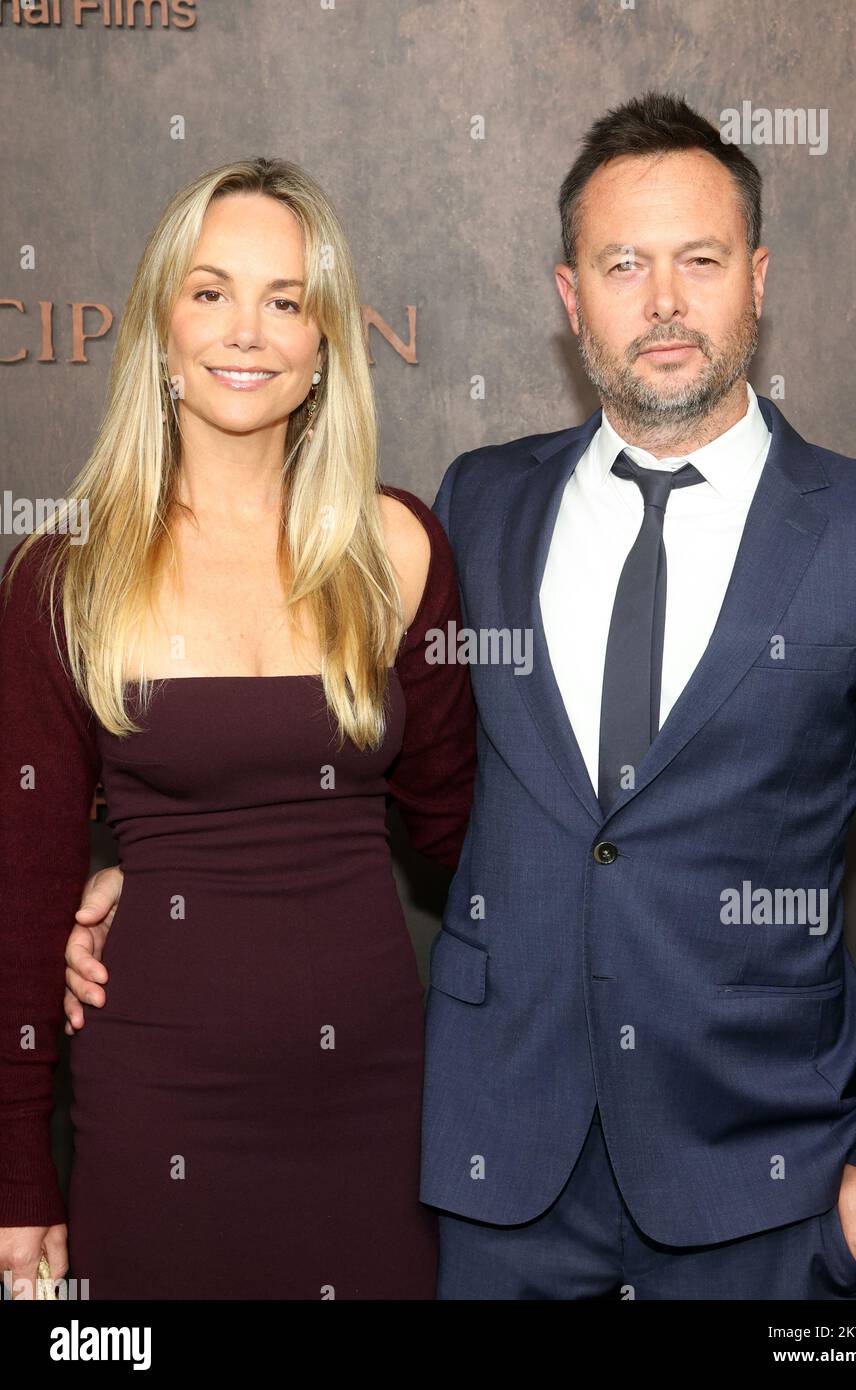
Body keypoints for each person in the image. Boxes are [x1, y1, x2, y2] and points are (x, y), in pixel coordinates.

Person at [63, 92, 856, 1301]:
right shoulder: (473, 511)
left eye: (698, 261)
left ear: (758, 277)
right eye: (622, 263)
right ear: (567, 294)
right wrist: (132, 870)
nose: (663, 301)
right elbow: (392, 772)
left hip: (766, 1172)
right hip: (490, 1170)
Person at [0, 157, 475, 1300]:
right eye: (210, 291)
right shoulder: (65, 580)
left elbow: (474, 845)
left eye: (285, 298)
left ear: (323, 348)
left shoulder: (398, 547)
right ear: (161, 327)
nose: (246, 330)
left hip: (377, 1100)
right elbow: (22, 897)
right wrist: (19, 1180)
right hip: (157, 1097)